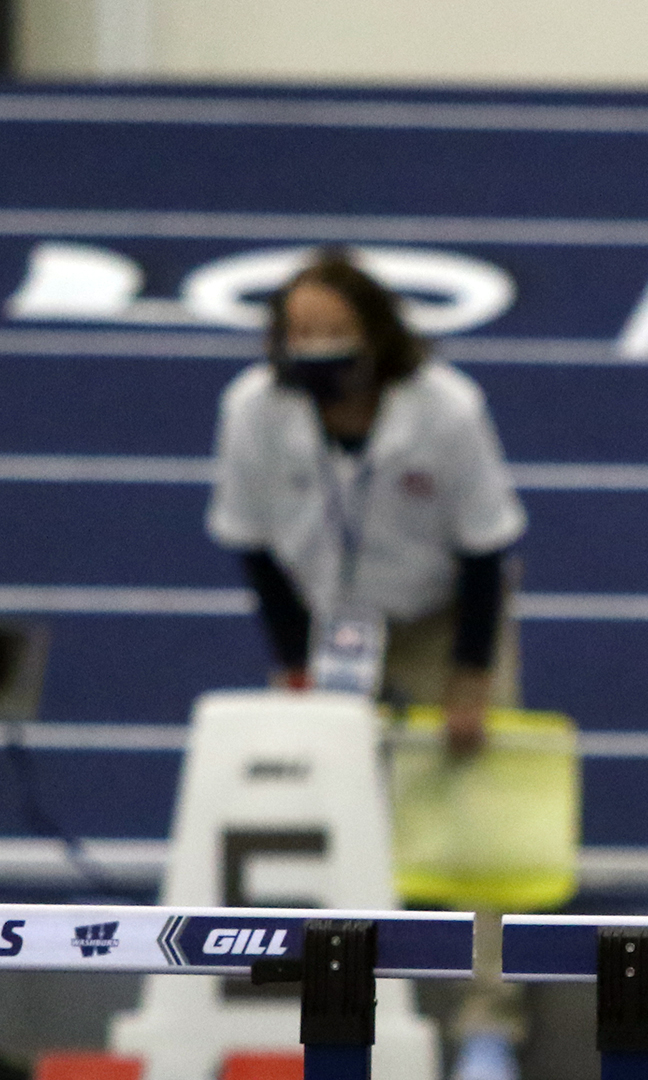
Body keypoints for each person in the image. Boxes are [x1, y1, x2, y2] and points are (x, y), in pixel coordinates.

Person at [204, 248, 528, 1080]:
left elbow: (488, 550)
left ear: (377, 336)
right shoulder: (251, 411)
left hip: (443, 614)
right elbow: (252, 547)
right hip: (329, 626)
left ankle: (490, 1023)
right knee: (340, 799)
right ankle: (347, 1005)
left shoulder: (447, 410)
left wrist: (469, 678)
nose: (315, 349)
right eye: (298, 333)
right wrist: (291, 666)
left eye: (334, 333)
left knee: (474, 816)